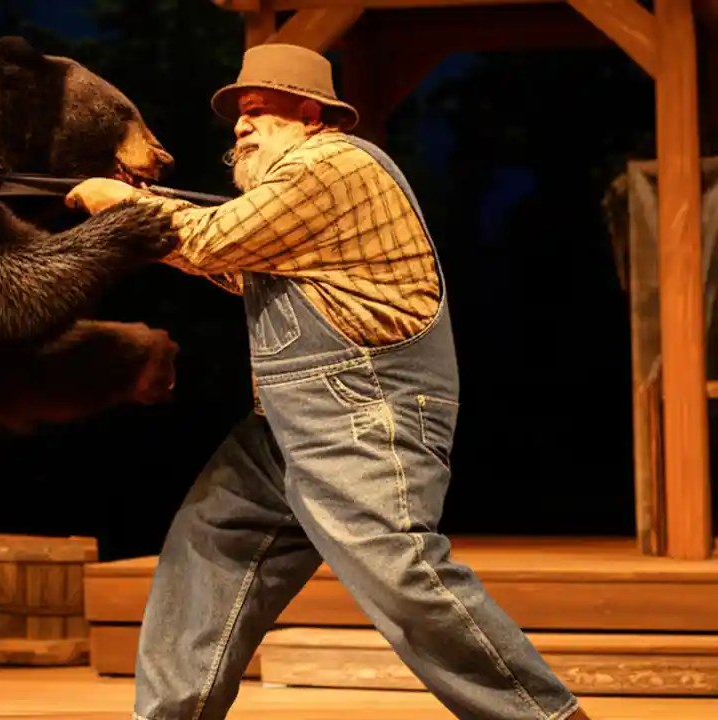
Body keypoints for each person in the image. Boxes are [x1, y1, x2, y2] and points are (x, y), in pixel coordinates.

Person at [65, 43, 591, 720]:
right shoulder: (290, 198)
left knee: (402, 575)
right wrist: (143, 208)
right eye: (237, 116)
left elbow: (212, 241)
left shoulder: (330, 164)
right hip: (294, 422)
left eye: (258, 110)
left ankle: (546, 718)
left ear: (310, 114)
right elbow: (230, 264)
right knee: (210, 541)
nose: (240, 127)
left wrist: (121, 207)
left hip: (365, 410)